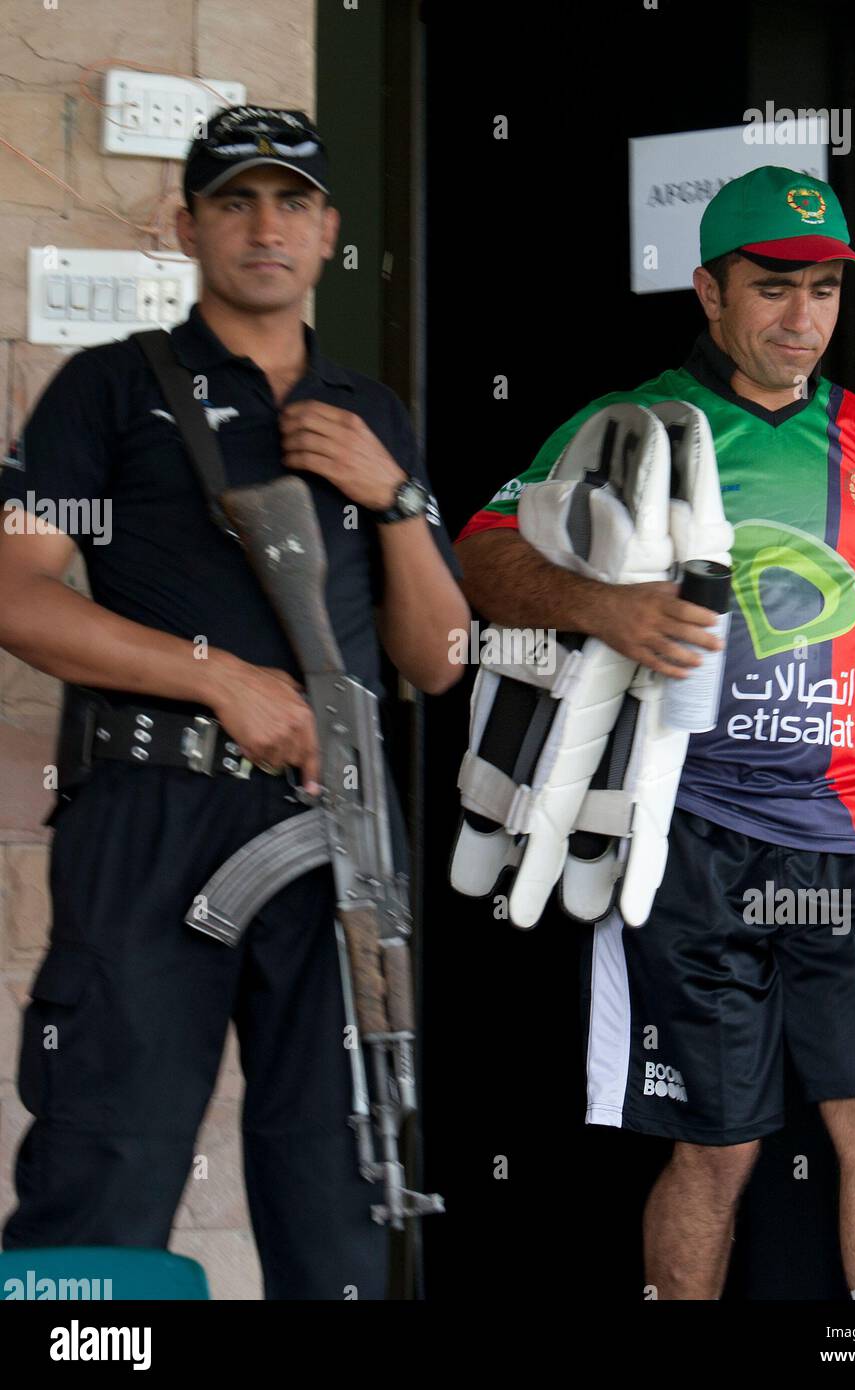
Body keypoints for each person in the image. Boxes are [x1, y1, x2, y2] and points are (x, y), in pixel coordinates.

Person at [0, 106, 469, 1299]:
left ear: (328, 233)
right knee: (104, 1163)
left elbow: (441, 659)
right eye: (236, 201)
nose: (268, 226)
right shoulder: (106, 391)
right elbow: (15, 595)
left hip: (340, 830)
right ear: (187, 226)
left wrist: (398, 494)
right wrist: (218, 678)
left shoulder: (374, 414)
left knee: (345, 1183)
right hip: (155, 809)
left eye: (294, 203)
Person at [453, 165, 855, 1301]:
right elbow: (481, 553)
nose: (803, 318)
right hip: (688, 837)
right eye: (775, 288)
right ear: (710, 292)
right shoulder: (630, 428)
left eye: (824, 292)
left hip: (851, 838)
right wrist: (607, 605)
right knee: (716, 1148)